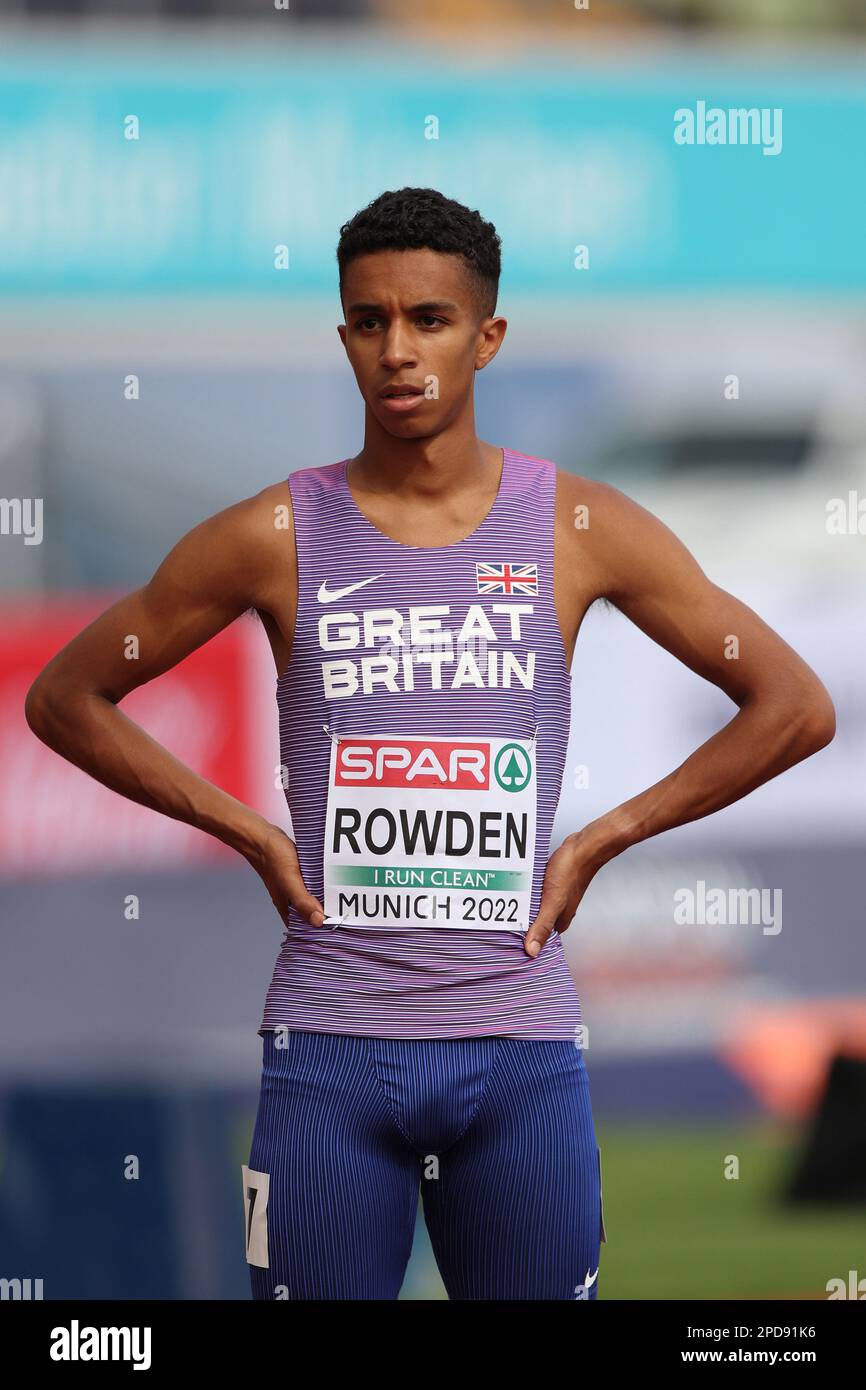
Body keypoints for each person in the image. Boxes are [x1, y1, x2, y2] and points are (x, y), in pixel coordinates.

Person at [25, 187, 835, 1301]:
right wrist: (250, 832)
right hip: (328, 1054)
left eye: (429, 320)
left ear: (486, 336)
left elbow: (791, 704)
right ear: (344, 334)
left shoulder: (572, 525)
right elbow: (68, 696)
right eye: (368, 321)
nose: (397, 351)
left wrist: (600, 838)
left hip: (519, 1055)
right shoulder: (271, 534)